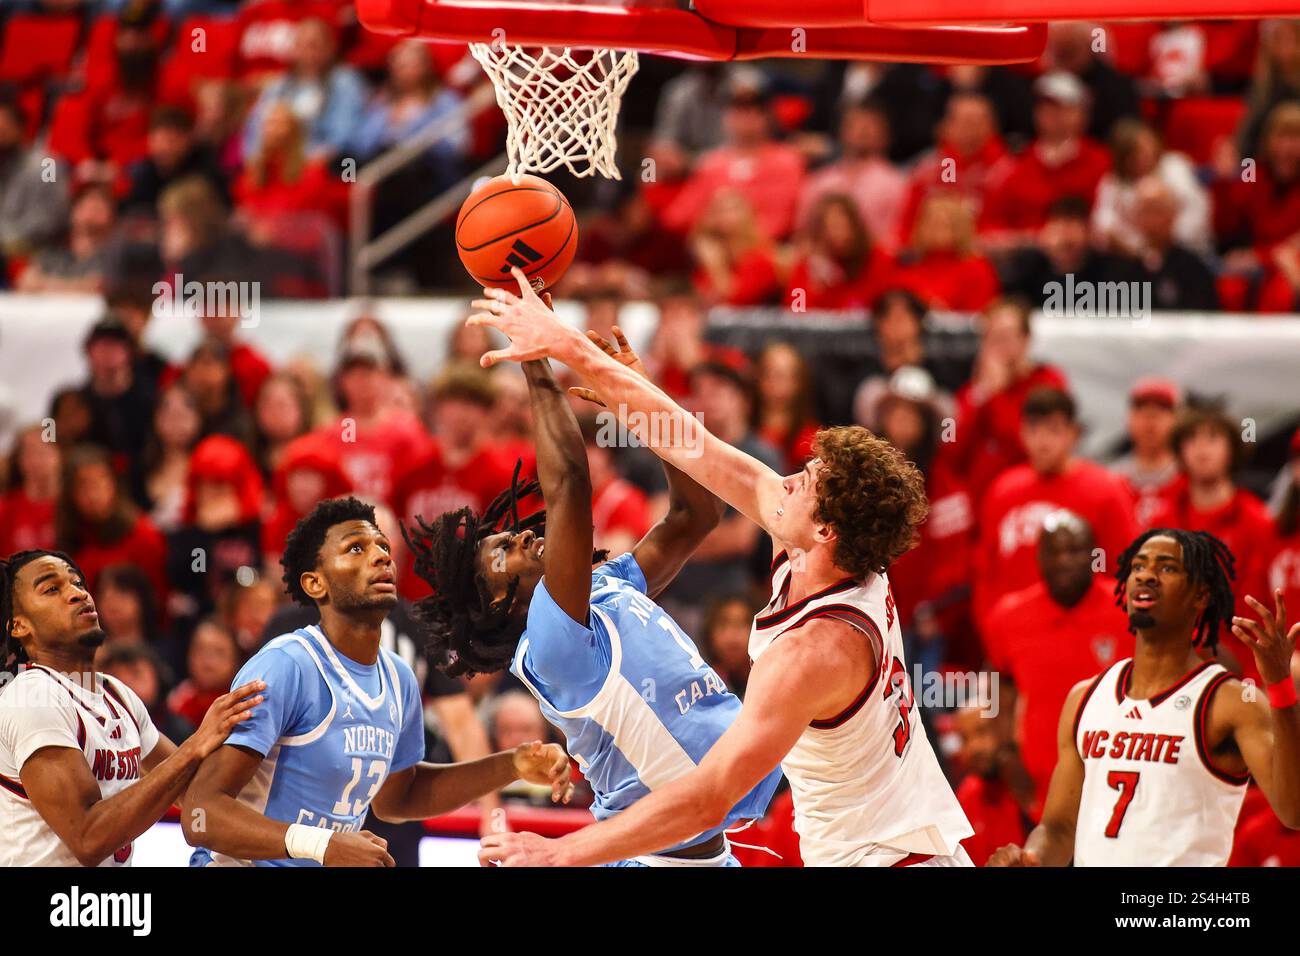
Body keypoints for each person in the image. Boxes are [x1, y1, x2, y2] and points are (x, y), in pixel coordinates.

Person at [469, 269, 972, 867]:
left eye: (804, 483)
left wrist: (558, 853)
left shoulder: (813, 652)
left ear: (825, 529)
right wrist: (612, 372)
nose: (786, 479)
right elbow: (698, 450)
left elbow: (708, 798)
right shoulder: (835, 555)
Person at [404, 320, 780, 867]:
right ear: (498, 604)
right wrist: (535, 356)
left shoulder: (604, 587)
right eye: (504, 551)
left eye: (511, 533)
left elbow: (696, 515)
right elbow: (569, 487)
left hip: (702, 848)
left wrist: (643, 397)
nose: (522, 535)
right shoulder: (551, 646)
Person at [180, 496, 572, 866]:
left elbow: (400, 796)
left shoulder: (399, 678)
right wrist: (322, 844)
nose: (382, 556)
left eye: (383, 546)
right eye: (356, 548)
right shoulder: (286, 666)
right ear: (316, 584)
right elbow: (201, 813)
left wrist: (511, 765)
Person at [988, 530, 1300, 866]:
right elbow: (1059, 828)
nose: (1146, 575)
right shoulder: (1085, 697)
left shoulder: (1230, 702)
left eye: (1166, 568)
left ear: (1200, 595)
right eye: (1138, 566)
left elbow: (1294, 811)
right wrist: (1031, 858)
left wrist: (1280, 685)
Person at [0, 549, 262, 866]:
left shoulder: (117, 694)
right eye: (52, 589)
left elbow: (193, 793)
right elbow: (89, 837)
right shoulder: (32, 696)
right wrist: (195, 745)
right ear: (19, 626)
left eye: (77, 583)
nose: (77, 593)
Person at [984, 511, 1134, 813]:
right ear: (1040, 558)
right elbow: (999, 683)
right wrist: (1005, 752)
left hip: (1125, 783)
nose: (1063, 560)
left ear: (1094, 556)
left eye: (1074, 550)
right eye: (1054, 552)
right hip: (1044, 789)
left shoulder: (1130, 607)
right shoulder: (1009, 616)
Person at [972, 387, 1138, 633]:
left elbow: (1125, 568)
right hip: (1016, 633)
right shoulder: (1002, 491)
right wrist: (990, 626)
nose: (1042, 442)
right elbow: (985, 571)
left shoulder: (1105, 490)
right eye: (1034, 430)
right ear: (1021, 432)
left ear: (1073, 433)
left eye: (1053, 431)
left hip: (1083, 632)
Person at [1148, 406, 1278, 681]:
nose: (1201, 449)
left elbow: (1267, 605)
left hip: (1246, 668)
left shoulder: (1258, 522)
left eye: (1212, 438)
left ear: (1231, 450)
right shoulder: (1161, 520)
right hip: (1173, 664)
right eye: (1192, 439)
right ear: (1179, 451)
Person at [1110, 377, 1183, 528]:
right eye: (1142, 412)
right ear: (1129, 419)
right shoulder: (1112, 480)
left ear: (1177, 420)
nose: (1150, 421)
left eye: (1160, 413)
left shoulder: (1192, 480)